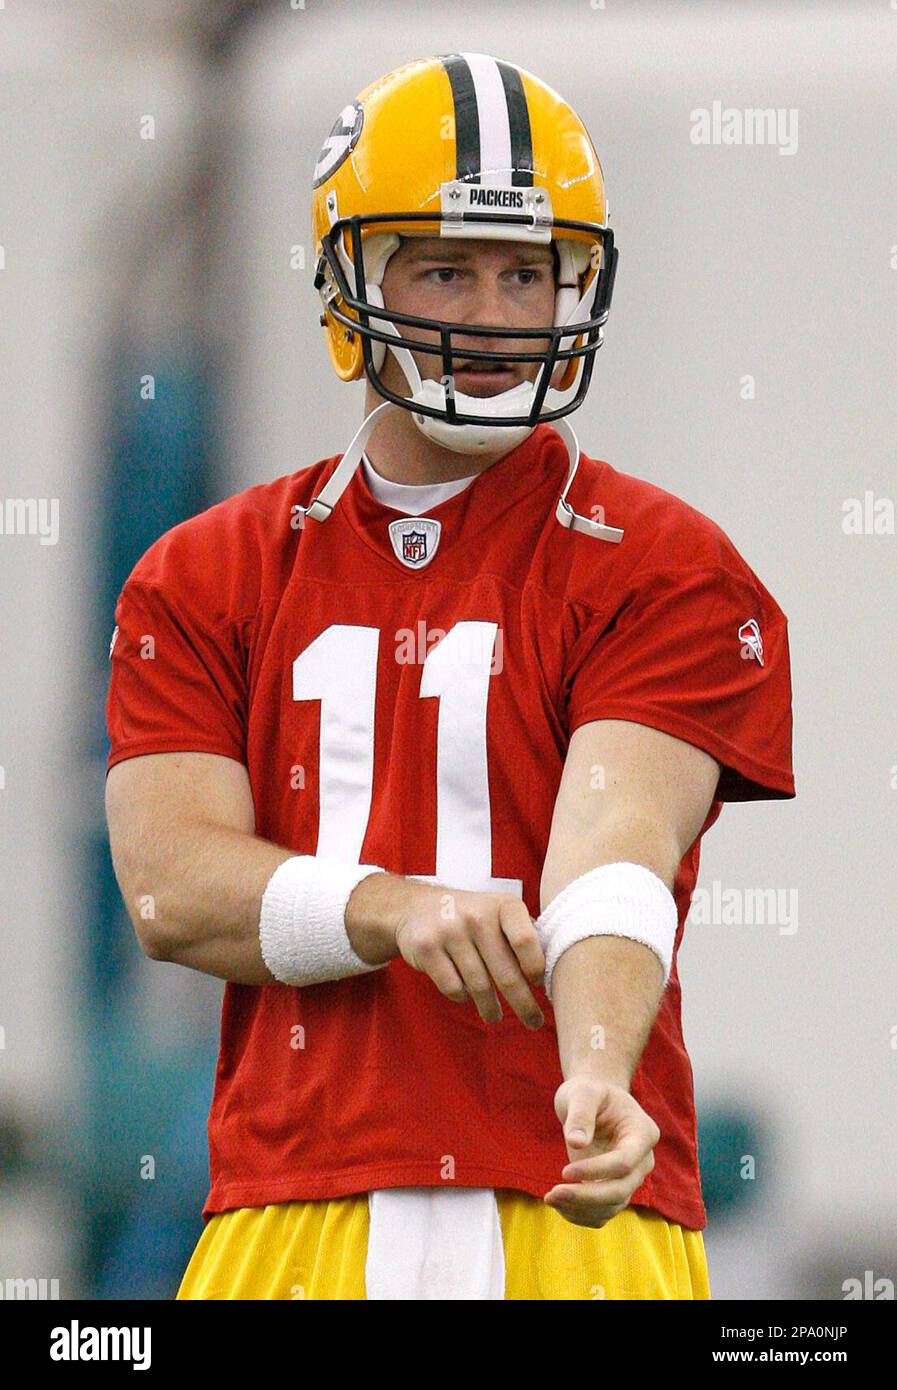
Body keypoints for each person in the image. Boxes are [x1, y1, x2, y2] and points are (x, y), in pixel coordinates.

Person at [105, 53, 795, 1301]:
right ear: (352, 284)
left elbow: (616, 846)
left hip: (572, 1201)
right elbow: (167, 886)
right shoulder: (206, 572)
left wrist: (596, 1066)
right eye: (444, 268)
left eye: (526, 273)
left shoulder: (663, 562)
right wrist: (389, 907)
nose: (491, 314)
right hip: (293, 1204)